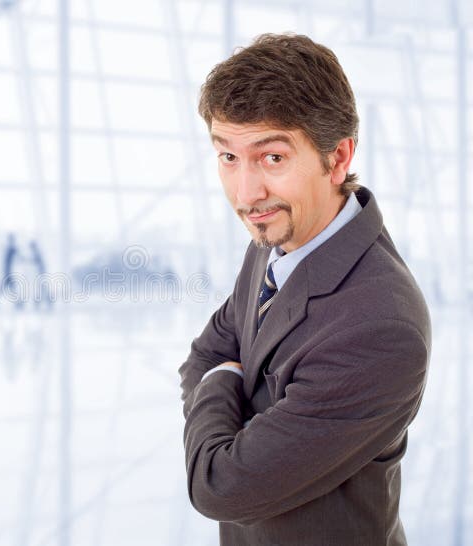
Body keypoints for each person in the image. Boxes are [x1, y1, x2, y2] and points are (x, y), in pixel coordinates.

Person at [179, 33, 430, 545]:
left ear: (337, 158)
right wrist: (229, 396)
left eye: (272, 158)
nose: (246, 194)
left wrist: (223, 385)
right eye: (228, 157)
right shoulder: (278, 237)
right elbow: (203, 355)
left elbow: (219, 485)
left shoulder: (380, 326)